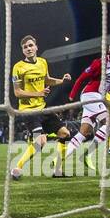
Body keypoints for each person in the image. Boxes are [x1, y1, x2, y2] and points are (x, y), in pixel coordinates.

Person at [9, 35, 71, 179]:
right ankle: (16, 169)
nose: (28, 49)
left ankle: (57, 170)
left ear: (36, 47)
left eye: (30, 45)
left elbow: (47, 80)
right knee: (40, 142)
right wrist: (38, 93)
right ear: (23, 51)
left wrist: (61, 81)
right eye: (25, 47)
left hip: (43, 108)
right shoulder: (18, 67)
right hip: (28, 111)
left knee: (65, 134)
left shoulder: (43, 62)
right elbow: (17, 92)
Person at [66, 41, 110, 171]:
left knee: (83, 132)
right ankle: (88, 155)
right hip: (90, 95)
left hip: (98, 98)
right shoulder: (99, 63)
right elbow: (81, 78)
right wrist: (72, 95)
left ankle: (59, 160)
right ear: (108, 51)